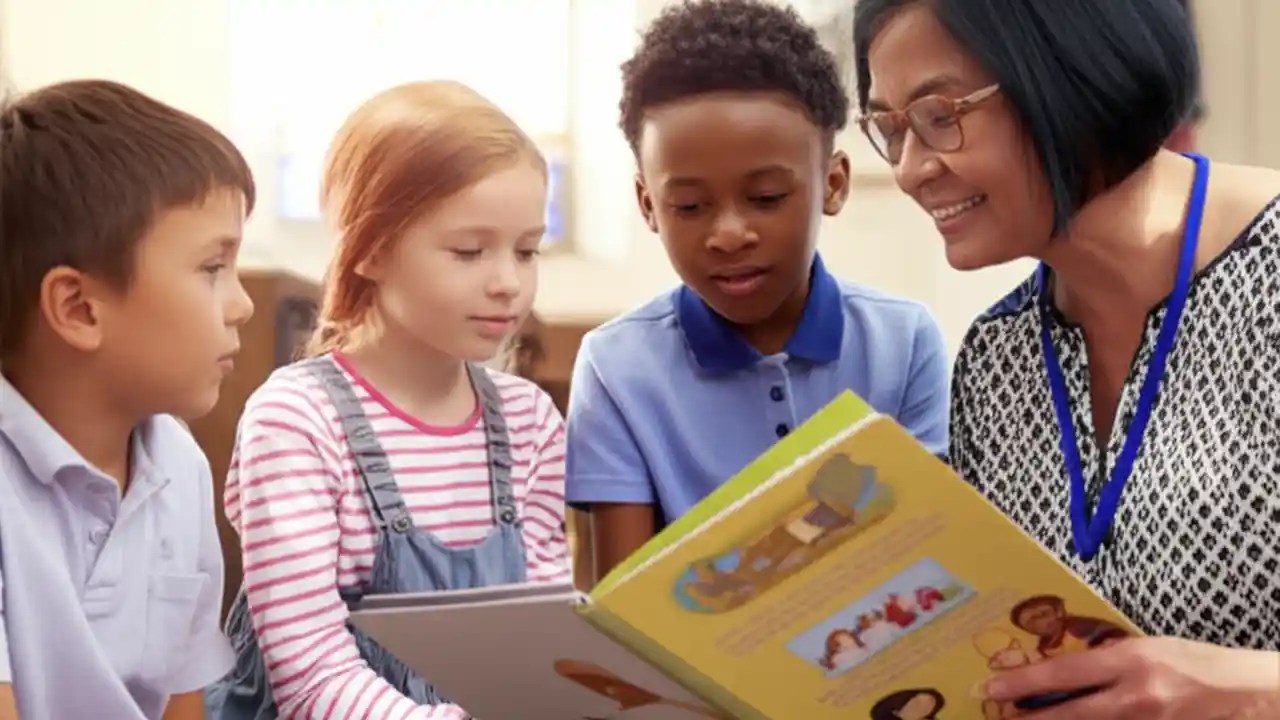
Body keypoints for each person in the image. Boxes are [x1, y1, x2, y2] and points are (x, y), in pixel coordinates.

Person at [851, 1, 1280, 717]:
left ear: (1075, 77)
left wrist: (1249, 691)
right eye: (890, 129)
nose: (908, 169)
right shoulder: (997, 357)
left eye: (939, 116)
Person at [203, 80, 570, 719]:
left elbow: (538, 643)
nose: (509, 282)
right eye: (468, 251)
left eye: (527, 249)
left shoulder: (529, 421)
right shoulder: (297, 420)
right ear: (370, 248)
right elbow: (309, 674)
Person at [565, 0, 950, 585]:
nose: (728, 234)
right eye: (690, 207)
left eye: (767, 197)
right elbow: (621, 605)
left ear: (833, 183)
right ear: (648, 206)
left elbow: (930, 548)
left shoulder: (904, 341)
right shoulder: (617, 368)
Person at [0, 80, 254, 718]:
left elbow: (180, 703)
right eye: (211, 268)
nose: (242, 304)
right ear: (79, 308)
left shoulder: (180, 463)